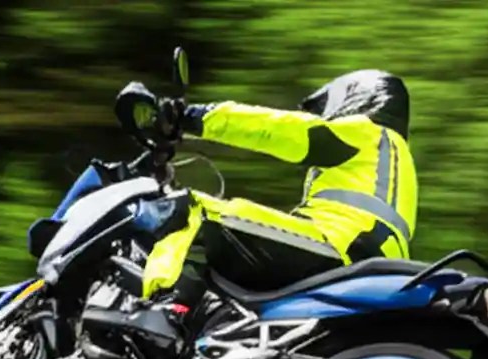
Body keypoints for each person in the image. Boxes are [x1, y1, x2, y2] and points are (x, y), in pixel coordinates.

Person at [139, 70, 418, 308]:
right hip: (368, 269)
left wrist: (191, 117)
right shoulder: (394, 162)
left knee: (191, 211)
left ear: (358, 97)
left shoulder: (368, 133)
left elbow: (277, 130)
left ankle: (161, 307)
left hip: (339, 252)